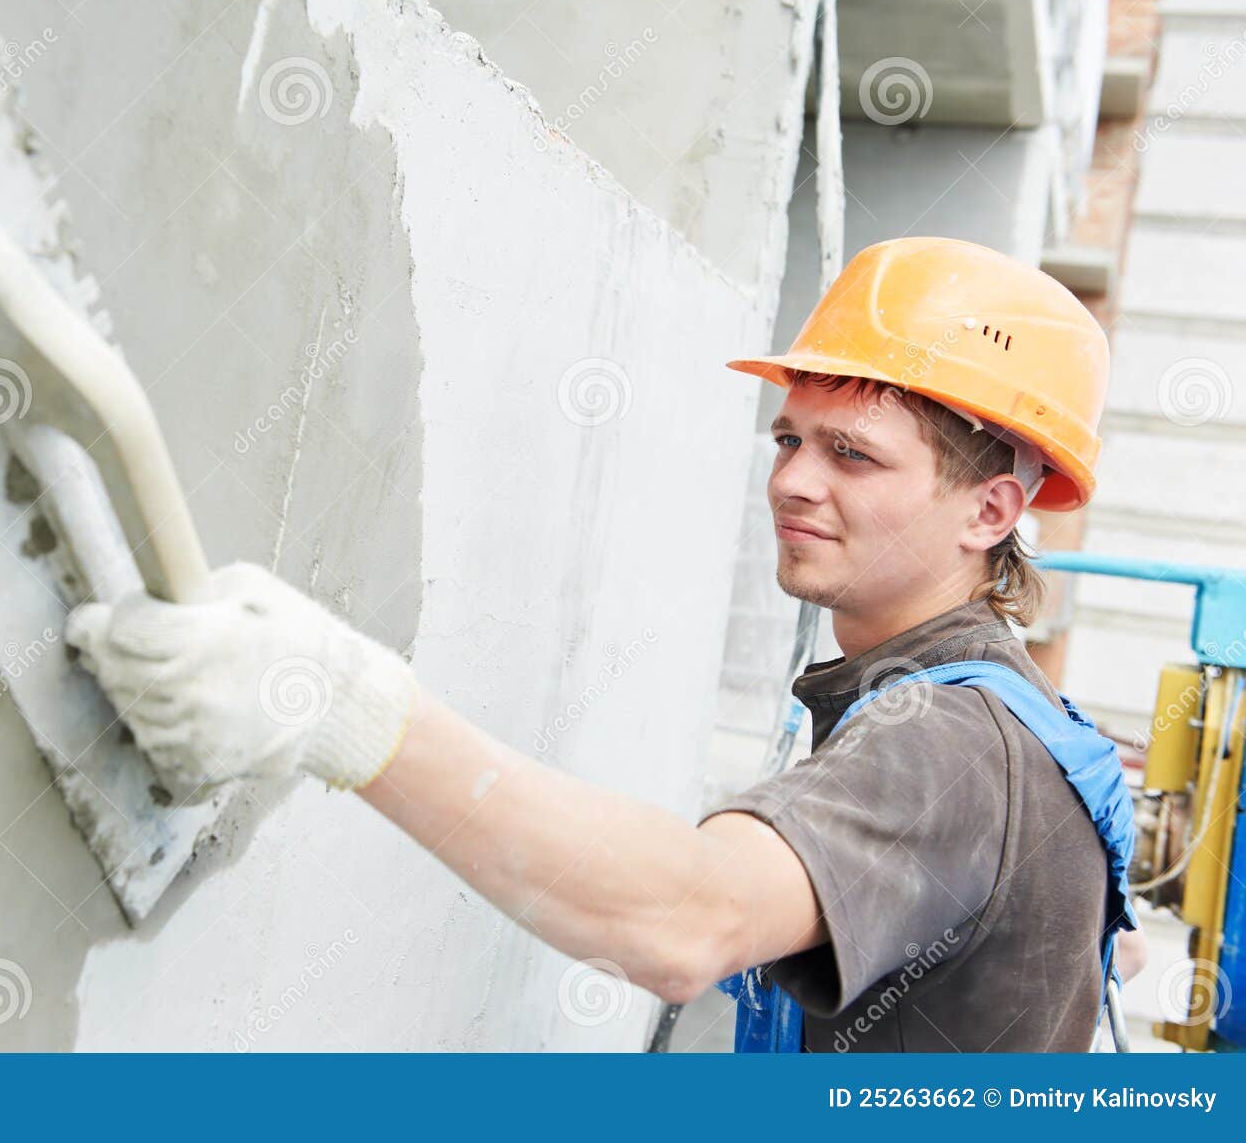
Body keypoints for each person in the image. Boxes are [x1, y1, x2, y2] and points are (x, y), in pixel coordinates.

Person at [66, 237, 1135, 1051]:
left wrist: (344, 706)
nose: (793, 481)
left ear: (990, 512)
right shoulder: (988, 713)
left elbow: (688, 922)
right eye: (790, 439)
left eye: (853, 455)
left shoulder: (945, 742)